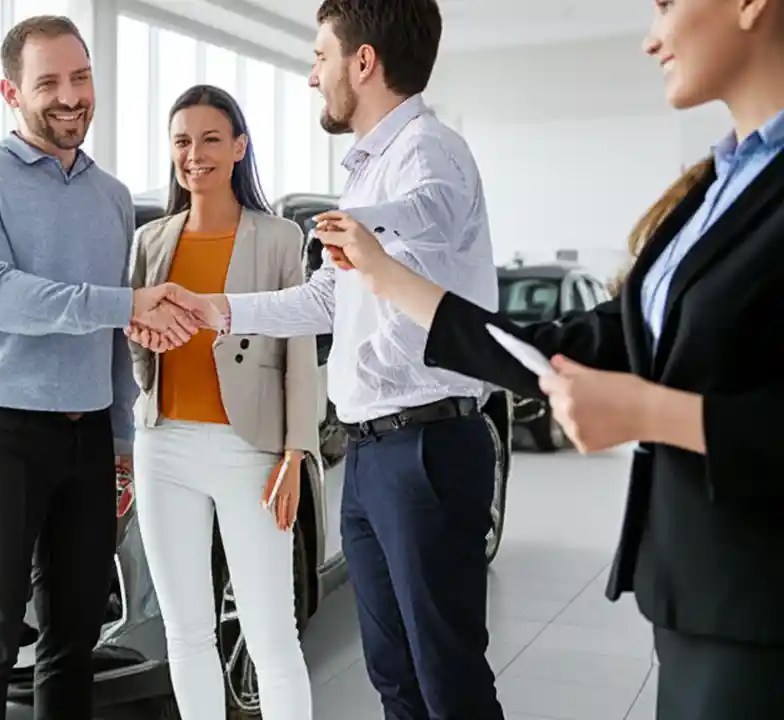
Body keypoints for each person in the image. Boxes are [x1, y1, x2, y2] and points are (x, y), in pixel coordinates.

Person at [310, 0, 784, 716]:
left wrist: (657, 413)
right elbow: (599, 340)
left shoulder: (430, 151)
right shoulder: (711, 190)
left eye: (665, 5)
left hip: (761, 598)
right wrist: (390, 277)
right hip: (695, 594)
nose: (652, 38)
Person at [133, 2, 505, 717]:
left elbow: (432, 211)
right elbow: (323, 302)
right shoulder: (367, 170)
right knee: (394, 672)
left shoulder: (429, 149)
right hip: (372, 451)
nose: (312, 76)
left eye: (321, 57)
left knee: (445, 671)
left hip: (426, 443)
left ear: (363, 63)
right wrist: (221, 310)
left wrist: (355, 223)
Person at [0, 15, 205, 720]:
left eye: (80, 77)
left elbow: (119, 337)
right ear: (10, 91)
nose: (69, 95)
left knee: (74, 635)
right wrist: (128, 300)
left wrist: (121, 443)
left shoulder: (112, 196)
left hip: (87, 445)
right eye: (47, 81)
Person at [126, 84, 318, 720]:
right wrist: (137, 336)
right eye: (183, 141)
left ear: (239, 147)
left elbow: (299, 353)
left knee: (270, 635)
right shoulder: (152, 240)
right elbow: (144, 361)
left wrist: (297, 453)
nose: (195, 154)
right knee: (187, 632)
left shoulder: (280, 238)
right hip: (164, 446)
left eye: (211, 139)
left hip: (251, 452)